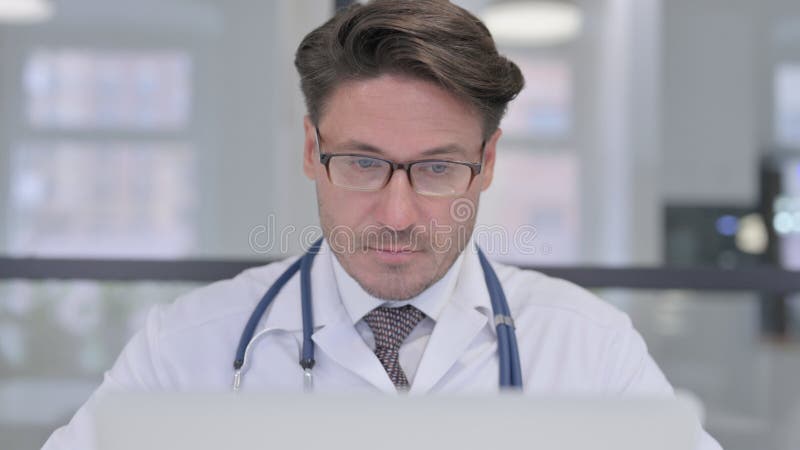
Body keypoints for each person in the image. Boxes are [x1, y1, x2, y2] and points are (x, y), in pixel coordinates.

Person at [43, 1, 722, 449]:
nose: (397, 216)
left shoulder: (591, 351)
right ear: (312, 151)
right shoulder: (185, 350)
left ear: (486, 164)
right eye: (364, 164)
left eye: (436, 169)